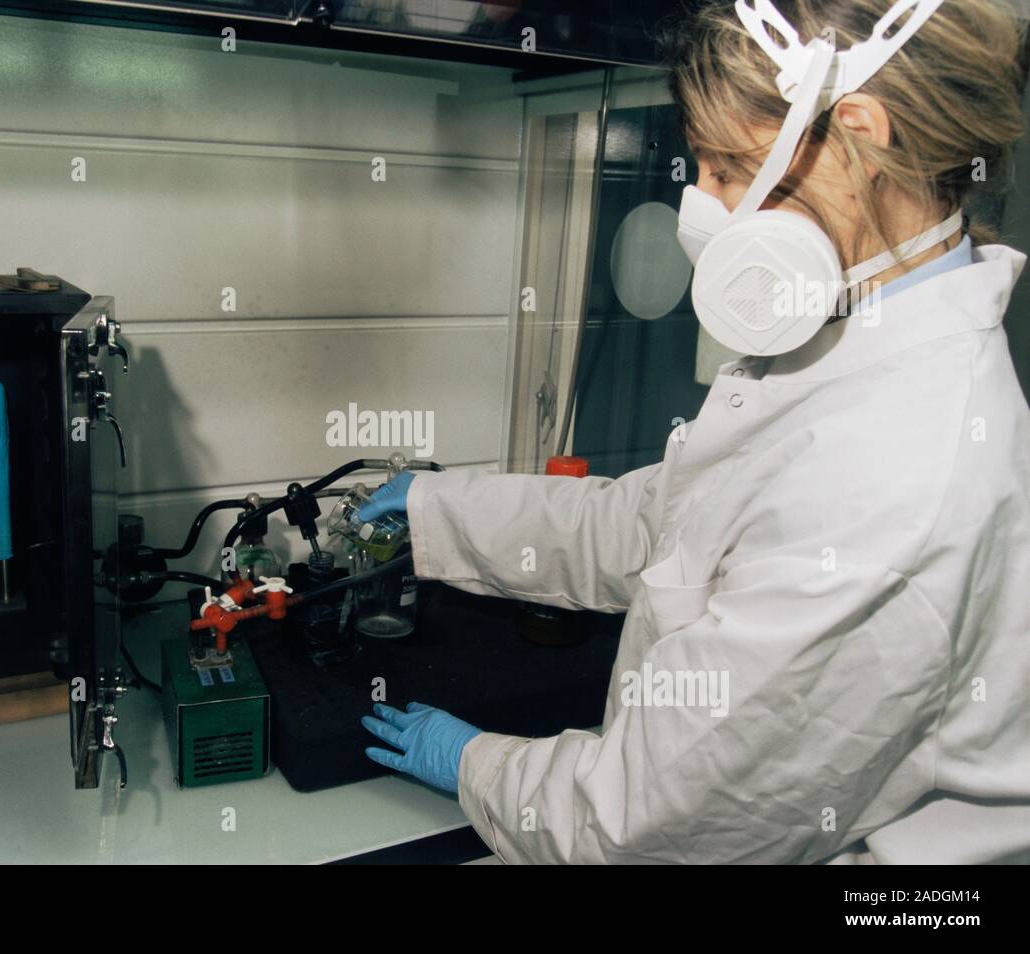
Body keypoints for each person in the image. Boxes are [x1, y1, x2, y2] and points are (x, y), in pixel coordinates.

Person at [358, 0, 1030, 863]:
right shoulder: (841, 338)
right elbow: (663, 528)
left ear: (860, 138)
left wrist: (474, 764)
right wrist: (440, 512)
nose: (700, 207)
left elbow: (652, 828)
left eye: (728, 167)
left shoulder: (895, 477)